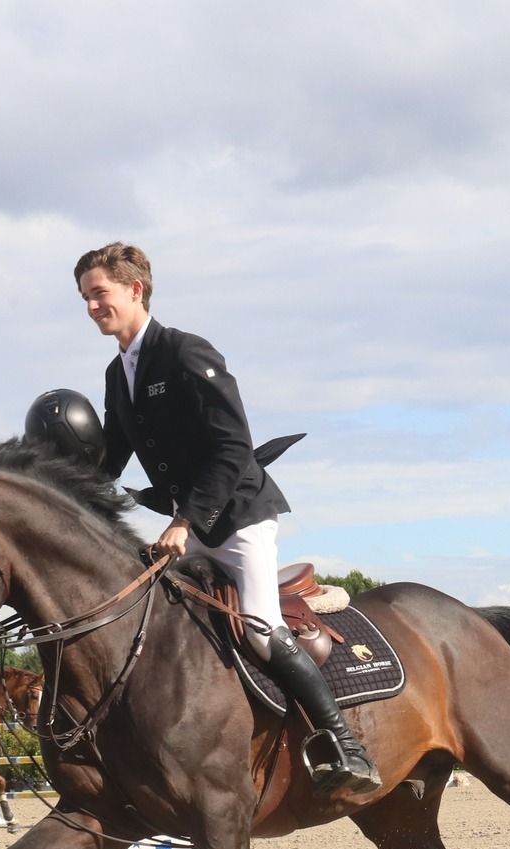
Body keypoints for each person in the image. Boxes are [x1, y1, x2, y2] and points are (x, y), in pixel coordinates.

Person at [62, 242, 380, 797]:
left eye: (99, 294)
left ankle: (344, 744)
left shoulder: (186, 352)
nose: (92, 306)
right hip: (186, 527)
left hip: (236, 518)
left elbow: (233, 447)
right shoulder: (119, 373)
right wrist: (63, 486)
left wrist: (185, 520)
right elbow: (111, 457)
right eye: (85, 298)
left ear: (134, 289)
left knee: (259, 629)